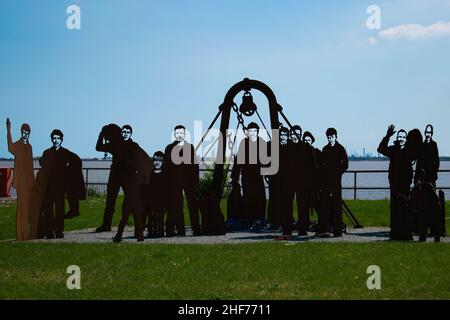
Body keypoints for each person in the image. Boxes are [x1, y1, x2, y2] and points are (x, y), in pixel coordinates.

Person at [377, 125, 414, 240]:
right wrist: (387, 136)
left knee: (405, 208)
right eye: (399, 137)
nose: (401, 139)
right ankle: (395, 232)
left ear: (406, 139)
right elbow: (381, 149)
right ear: (397, 138)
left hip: (405, 184)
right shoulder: (393, 150)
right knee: (395, 208)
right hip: (394, 183)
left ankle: (405, 232)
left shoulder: (410, 151)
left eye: (403, 137)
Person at [95, 124, 134, 232]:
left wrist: (100, 135)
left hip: (116, 174)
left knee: (110, 201)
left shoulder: (114, 145)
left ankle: (107, 224)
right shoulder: (128, 143)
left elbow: (98, 147)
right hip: (125, 174)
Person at [164, 125, 200, 236]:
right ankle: (186, 229)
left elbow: (194, 166)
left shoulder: (172, 148)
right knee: (180, 205)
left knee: (189, 205)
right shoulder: (181, 148)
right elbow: (167, 167)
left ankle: (189, 229)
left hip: (184, 181)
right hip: (179, 181)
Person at [231, 122, 267, 228]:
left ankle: (258, 219)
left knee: (259, 198)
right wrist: (235, 177)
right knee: (248, 198)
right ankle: (250, 219)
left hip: (257, 176)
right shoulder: (245, 144)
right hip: (247, 176)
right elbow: (238, 162)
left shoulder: (261, 143)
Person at [40, 129, 72, 239]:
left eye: (58, 138)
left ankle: (59, 231)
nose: (56, 140)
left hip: (60, 185)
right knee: (48, 209)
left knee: (60, 209)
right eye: (54, 138)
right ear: (51, 139)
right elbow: (42, 164)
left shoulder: (65, 152)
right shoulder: (47, 152)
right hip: (49, 185)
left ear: (61, 140)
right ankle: (49, 231)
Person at [6, 118, 35, 241]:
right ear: (21, 132)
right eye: (24, 132)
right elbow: (10, 147)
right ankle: (20, 234)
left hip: (29, 182)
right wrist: (8, 131)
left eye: (27, 133)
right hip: (20, 182)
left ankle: (26, 234)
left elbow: (30, 166)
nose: (25, 135)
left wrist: (33, 181)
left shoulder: (29, 147)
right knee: (21, 208)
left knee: (27, 208)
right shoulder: (17, 146)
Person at [318, 128, 348, 238]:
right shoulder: (325, 149)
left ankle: (337, 231)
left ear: (336, 136)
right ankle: (324, 230)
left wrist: (337, 173)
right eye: (328, 137)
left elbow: (345, 164)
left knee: (336, 207)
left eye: (332, 136)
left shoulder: (340, 149)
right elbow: (321, 165)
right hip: (326, 182)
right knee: (325, 207)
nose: (330, 139)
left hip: (336, 182)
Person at [267, 127, 291, 233]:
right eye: (281, 135)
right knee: (274, 200)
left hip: (286, 179)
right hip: (275, 178)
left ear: (287, 136)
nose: (282, 137)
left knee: (286, 201)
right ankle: (274, 221)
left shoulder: (291, 147)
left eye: (285, 135)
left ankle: (284, 222)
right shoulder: (272, 146)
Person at [299, 131, 321, 235]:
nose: (307, 142)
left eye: (309, 140)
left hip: (314, 185)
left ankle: (322, 225)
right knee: (304, 208)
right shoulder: (300, 154)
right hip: (303, 185)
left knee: (317, 205)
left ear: (312, 141)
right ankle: (303, 228)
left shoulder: (317, 152)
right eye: (305, 140)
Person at [143, 151, 168, 237]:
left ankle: (160, 231)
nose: (157, 162)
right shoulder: (150, 173)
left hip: (161, 199)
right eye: (155, 160)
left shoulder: (165, 174)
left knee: (160, 216)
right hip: (151, 199)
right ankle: (151, 231)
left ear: (163, 161)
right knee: (151, 216)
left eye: (159, 160)